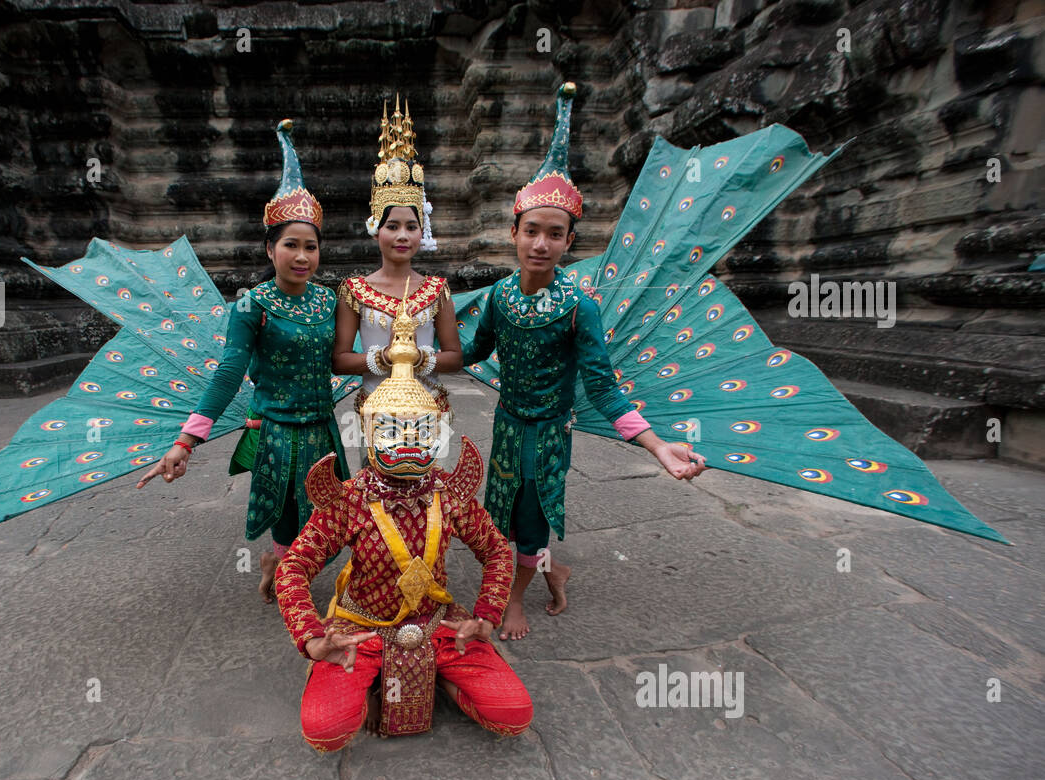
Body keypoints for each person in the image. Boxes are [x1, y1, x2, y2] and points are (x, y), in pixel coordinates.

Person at [461, 84, 706, 641]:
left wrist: (656, 444)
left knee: (531, 513)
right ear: (514, 233)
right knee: (499, 511)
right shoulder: (498, 297)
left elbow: (603, 385)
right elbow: (474, 353)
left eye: (554, 234)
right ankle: (553, 572)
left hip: (550, 431)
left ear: (569, 241)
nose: (540, 244)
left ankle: (514, 598)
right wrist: (417, 354)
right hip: (507, 424)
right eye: (531, 231)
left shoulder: (580, 306)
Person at [275, 295, 531, 753]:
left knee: (514, 714)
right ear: (368, 431)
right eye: (392, 430)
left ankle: (435, 677)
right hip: (361, 627)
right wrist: (313, 637)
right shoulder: (349, 499)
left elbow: (495, 550)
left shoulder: (449, 493)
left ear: (438, 432)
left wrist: (487, 615)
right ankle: (373, 680)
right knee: (325, 731)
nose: (408, 444)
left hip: (438, 623)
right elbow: (293, 568)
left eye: (420, 432)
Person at [137, 119, 348, 602]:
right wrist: (187, 440)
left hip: (323, 427)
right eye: (290, 244)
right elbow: (230, 372)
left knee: (330, 512)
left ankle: (285, 566)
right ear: (270, 248)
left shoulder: (330, 301)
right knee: (289, 515)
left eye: (310, 246)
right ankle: (288, 580)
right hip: (277, 431)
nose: (302, 255)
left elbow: (341, 360)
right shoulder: (251, 305)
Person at [332, 96, 462, 476]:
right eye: (392, 226)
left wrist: (420, 359)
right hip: (373, 407)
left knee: (427, 491)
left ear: (424, 231)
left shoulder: (437, 289)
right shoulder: (353, 290)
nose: (402, 235)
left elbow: (455, 356)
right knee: (374, 492)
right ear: (376, 229)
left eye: (411, 226)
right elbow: (340, 360)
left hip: (429, 406)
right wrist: (385, 359)